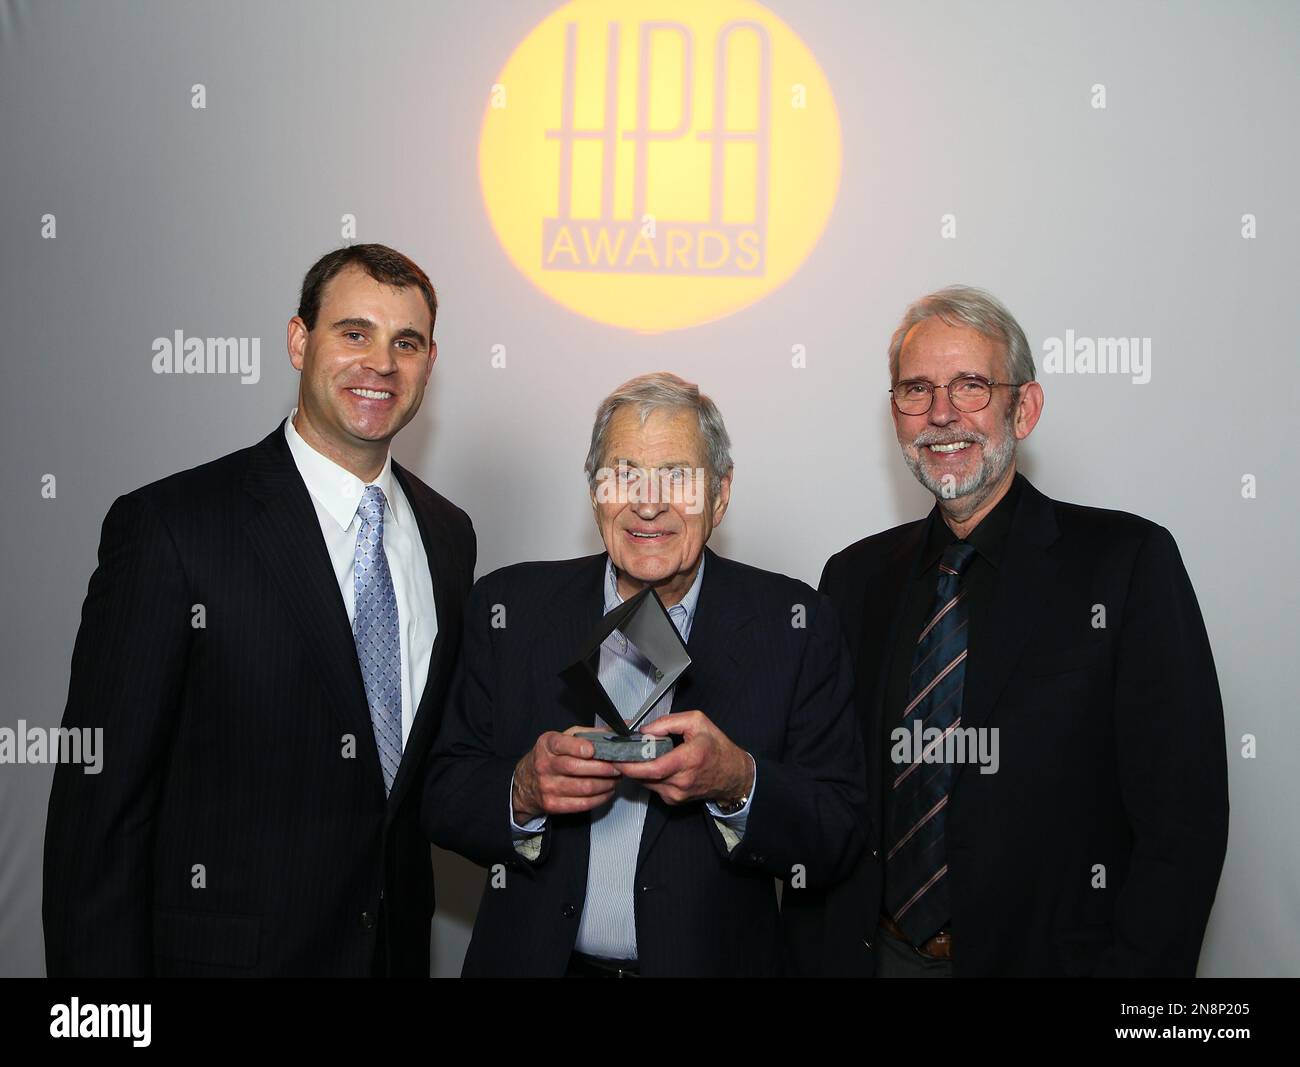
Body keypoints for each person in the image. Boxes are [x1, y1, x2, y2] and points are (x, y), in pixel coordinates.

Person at [43, 244, 475, 976]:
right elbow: (98, 820)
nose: (381, 363)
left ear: (430, 360)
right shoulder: (174, 528)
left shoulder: (447, 535)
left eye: (406, 342)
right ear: (299, 340)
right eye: (354, 332)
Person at [783, 286, 1229, 977]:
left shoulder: (1126, 564)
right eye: (916, 389)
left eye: (970, 386)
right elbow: (826, 792)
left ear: (1024, 407)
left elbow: (1184, 822)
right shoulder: (854, 577)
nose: (941, 413)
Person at [423, 372, 864, 976]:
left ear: (721, 493)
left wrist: (739, 783)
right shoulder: (510, 606)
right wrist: (521, 792)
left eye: (678, 477)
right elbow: (443, 795)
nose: (648, 503)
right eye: (623, 474)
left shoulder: (796, 624)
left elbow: (836, 832)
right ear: (594, 492)